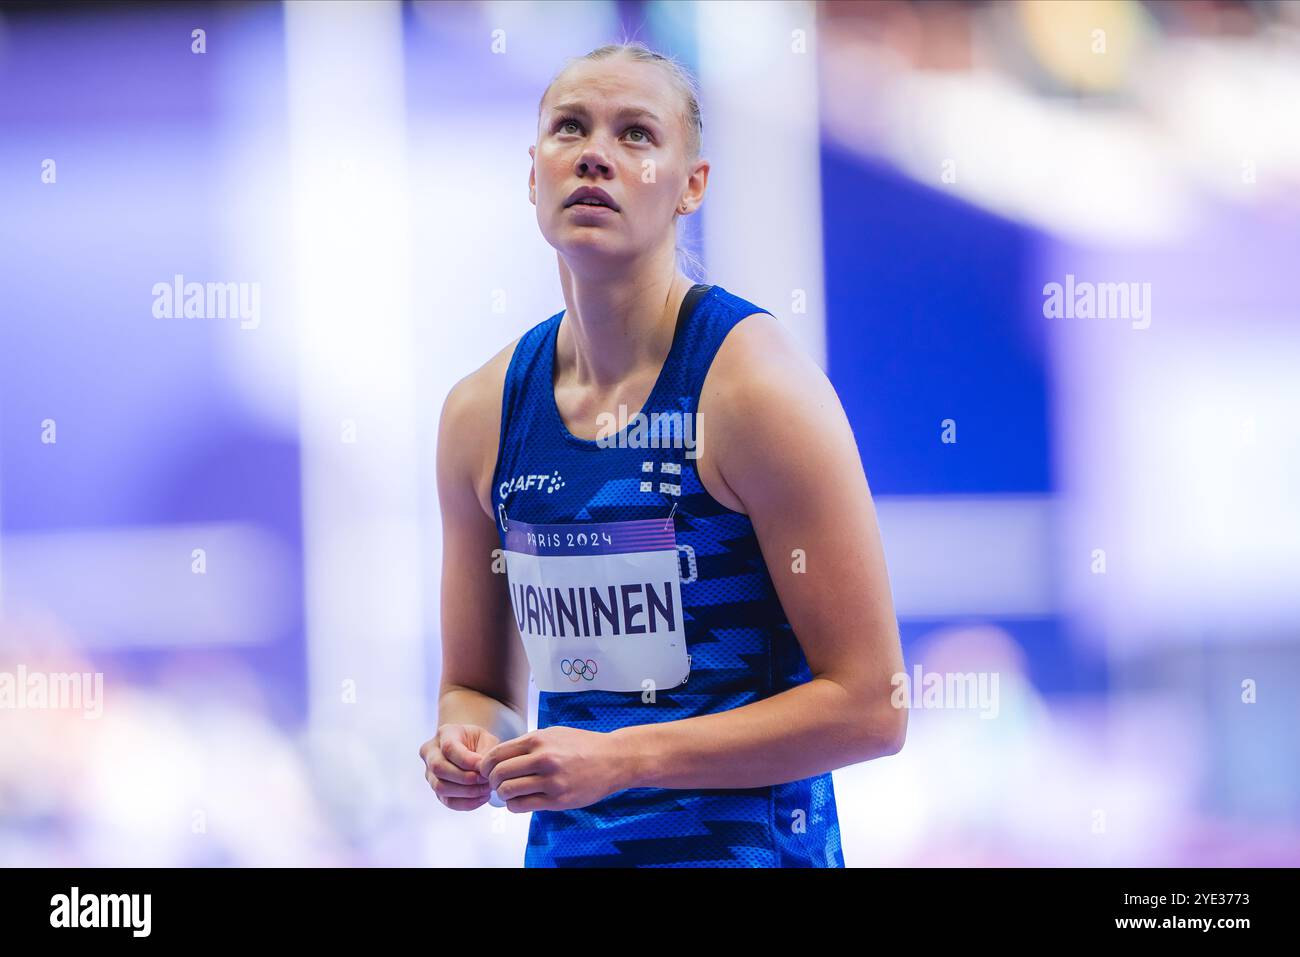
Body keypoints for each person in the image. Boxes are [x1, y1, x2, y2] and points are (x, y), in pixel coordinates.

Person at [419, 40, 905, 867]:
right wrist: (468, 745)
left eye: (636, 134)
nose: (596, 156)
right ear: (532, 173)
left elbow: (871, 707)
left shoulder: (753, 389)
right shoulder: (481, 414)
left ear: (692, 186)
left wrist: (624, 756)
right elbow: (480, 688)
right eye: (569, 129)